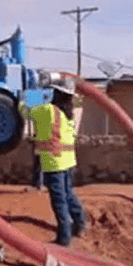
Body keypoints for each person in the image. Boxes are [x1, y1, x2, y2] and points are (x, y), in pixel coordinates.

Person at [23, 78, 88, 246]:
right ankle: (80, 222)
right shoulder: (69, 115)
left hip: (54, 163)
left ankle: (64, 237)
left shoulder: (48, 111)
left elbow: (25, 111)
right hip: (68, 162)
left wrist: (21, 97)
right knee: (68, 194)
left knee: (59, 199)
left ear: (57, 94)